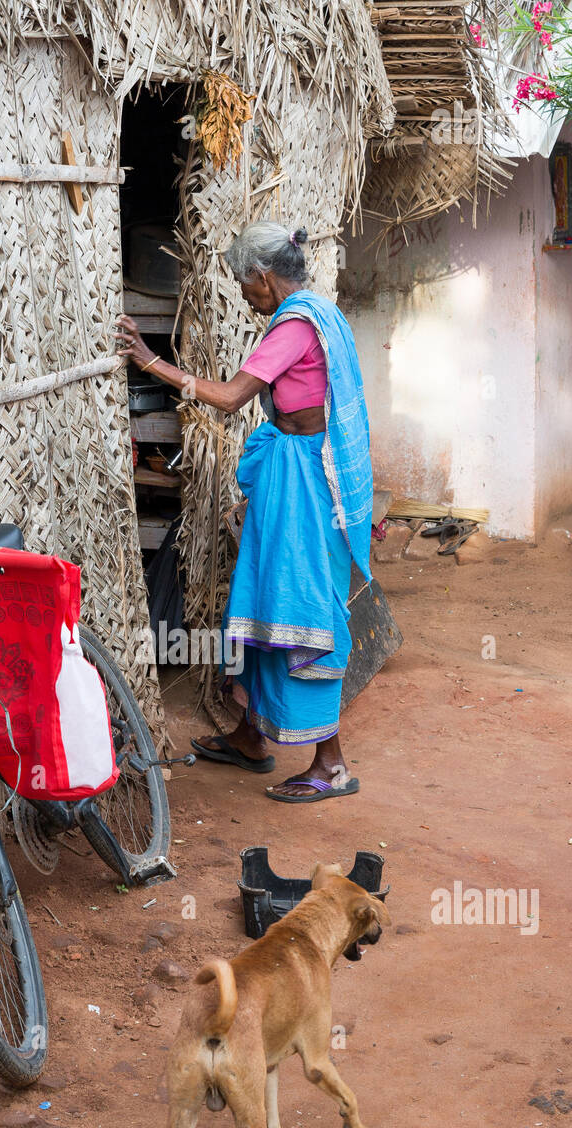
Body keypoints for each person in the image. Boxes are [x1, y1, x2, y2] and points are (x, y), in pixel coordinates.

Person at [115, 221, 373, 803]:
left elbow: (231, 399)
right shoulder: (320, 314)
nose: (241, 293)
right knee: (261, 597)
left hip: (305, 489)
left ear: (263, 275)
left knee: (301, 610)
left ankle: (331, 765)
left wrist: (152, 363)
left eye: (242, 282)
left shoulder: (295, 326)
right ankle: (252, 737)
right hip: (291, 480)